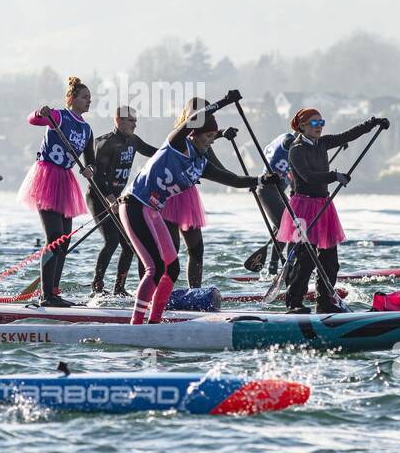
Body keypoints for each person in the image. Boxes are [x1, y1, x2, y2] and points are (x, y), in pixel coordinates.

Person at [121, 91, 273, 323]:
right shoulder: (176, 143)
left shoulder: (201, 162)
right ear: (195, 134)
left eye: (214, 137)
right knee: (155, 269)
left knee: (172, 270)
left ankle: (154, 323)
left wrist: (262, 180)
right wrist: (224, 102)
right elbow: (193, 120)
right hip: (134, 206)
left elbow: (232, 180)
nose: (212, 141)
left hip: (152, 211)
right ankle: (136, 324)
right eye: (209, 136)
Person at [279, 108, 390, 314]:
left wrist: (373, 123)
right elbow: (307, 176)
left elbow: (348, 135)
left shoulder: (323, 142)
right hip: (303, 207)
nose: (319, 126)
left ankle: (325, 302)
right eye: (314, 123)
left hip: (323, 205)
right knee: (305, 259)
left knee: (331, 261)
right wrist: (334, 176)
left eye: (321, 122)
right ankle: (294, 302)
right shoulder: (297, 149)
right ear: (302, 126)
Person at [19, 76, 95, 307]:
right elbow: (33, 120)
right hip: (47, 176)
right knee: (54, 237)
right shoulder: (59, 116)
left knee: (64, 240)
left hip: (66, 180)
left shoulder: (86, 128)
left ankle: (53, 291)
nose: (88, 102)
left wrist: (90, 169)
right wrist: (41, 113)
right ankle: (46, 296)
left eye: (90, 99)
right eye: (84, 98)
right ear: (71, 99)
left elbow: (90, 159)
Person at [160, 98, 244, 289]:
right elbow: (192, 131)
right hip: (169, 197)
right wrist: (221, 132)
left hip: (188, 198)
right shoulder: (178, 138)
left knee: (197, 250)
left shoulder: (205, 144)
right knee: (171, 251)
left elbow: (220, 170)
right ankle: (163, 292)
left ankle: (194, 292)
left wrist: (245, 182)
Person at [88, 107, 155, 295]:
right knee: (112, 241)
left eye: (135, 120)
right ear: (118, 120)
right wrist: (109, 198)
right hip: (99, 196)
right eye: (130, 120)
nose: (135, 124)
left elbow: (154, 152)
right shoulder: (105, 144)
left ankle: (119, 288)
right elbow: (97, 177)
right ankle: (97, 285)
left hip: (117, 200)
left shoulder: (134, 141)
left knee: (129, 245)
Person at [258, 130, 297, 275]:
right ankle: (276, 268)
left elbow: (292, 172)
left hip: (278, 192)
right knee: (286, 228)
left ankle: (278, 267)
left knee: (286, 226)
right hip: (268, 190)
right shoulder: (289, 140)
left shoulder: (288, 140)